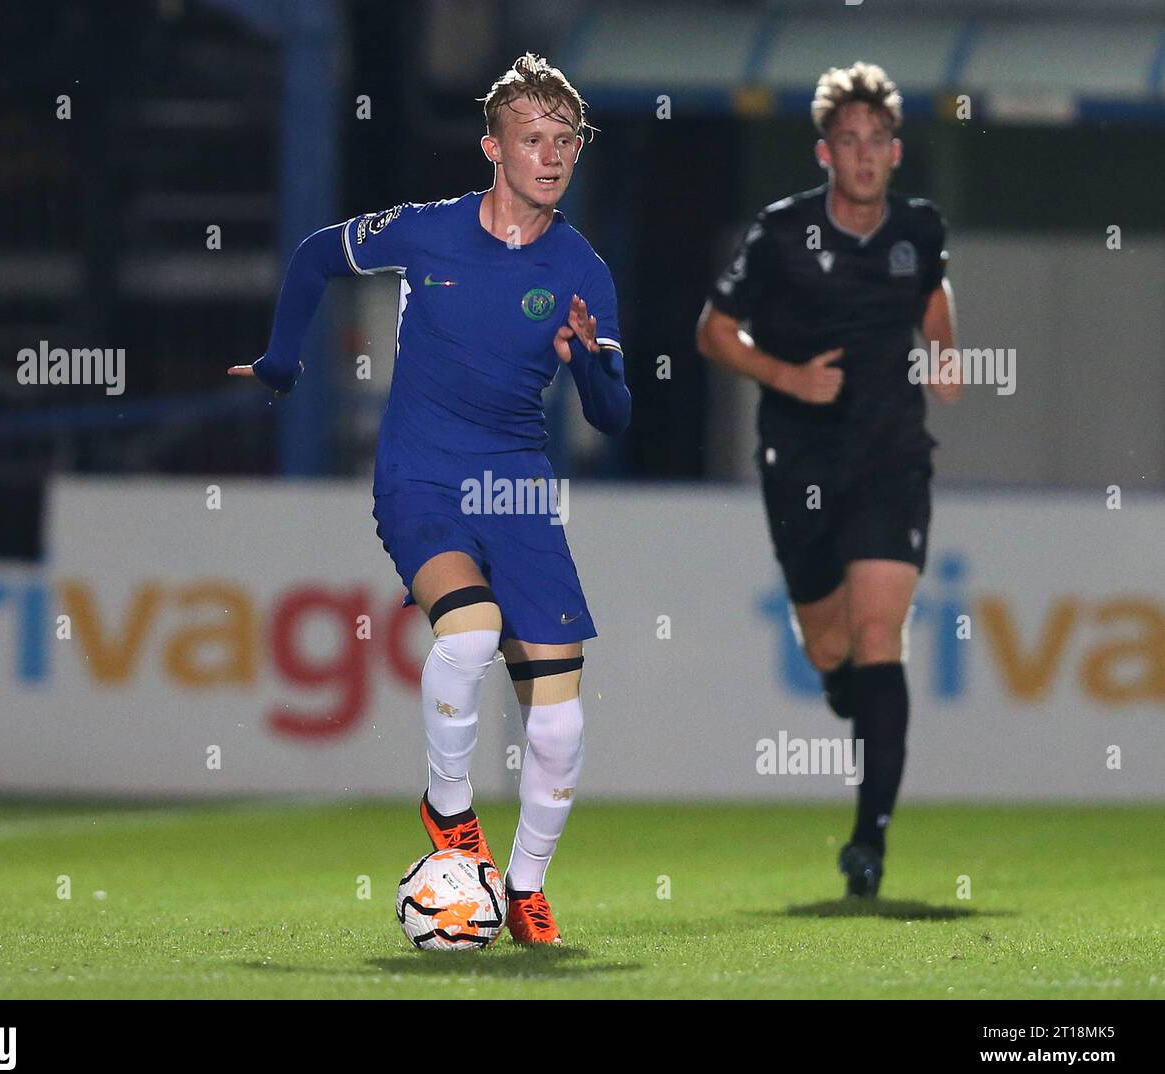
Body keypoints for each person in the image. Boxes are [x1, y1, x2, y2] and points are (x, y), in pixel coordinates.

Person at [232, 53, 630, 942]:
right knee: (473, 630)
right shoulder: (426, 232)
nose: (554, 153)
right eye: (534, 138)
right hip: (423, 475)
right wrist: (283, 361)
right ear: (494, 146)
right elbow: (310, 257)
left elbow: (615, 413)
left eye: (567, 139)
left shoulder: (583, 269)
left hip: (519, 491)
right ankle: (450, 814)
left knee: (558, 727)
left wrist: (587, 368)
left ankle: (520, 888)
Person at [696, 62, 960, 896]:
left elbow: (934, 287)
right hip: (800, 457)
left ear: (894, 149)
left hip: (890, 455)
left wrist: (946, 347)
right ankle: (844, 685)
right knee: (830, 645)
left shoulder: (918, 226)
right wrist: (785, 375)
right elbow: (713, 331)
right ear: (825, 153)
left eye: (877, 140)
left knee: (883, 634)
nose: (864, 154)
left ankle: (868, 843)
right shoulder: (780, 233)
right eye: (848, 141)